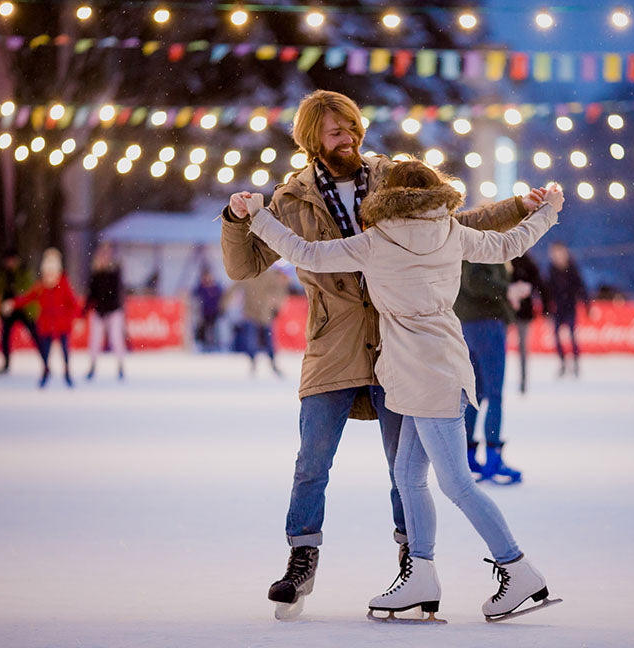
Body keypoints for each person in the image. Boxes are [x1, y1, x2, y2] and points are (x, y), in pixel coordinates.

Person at [219, 89, 546, 620]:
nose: (348, 138)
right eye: (335, 132)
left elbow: (458, 224)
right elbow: (247, 266)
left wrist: (517, 207)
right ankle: (321, 559)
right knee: (330, 464)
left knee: (421, 475)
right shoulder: (295, 199)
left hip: (403, 356)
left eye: (352, 127)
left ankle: (438, 562)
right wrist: (239, 219)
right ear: (312, 140)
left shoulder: (388, 191)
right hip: (345, 346)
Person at [454, 261, 520, 484]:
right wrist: (507, 290)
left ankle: (467, 457)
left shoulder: (467, 245)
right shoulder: (482, 246)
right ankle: (492, 458)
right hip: (485, 323)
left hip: (469, 322)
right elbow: (474, 281)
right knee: (493, 394)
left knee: (477, 393)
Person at [5, 248, 81, 389]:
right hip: (46, 324)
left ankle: (67, 373)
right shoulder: (41, 286)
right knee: (44, 351)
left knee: (65, 350)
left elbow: (73, 303)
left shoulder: (64, 284)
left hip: (62, 324)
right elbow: (27, 297)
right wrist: (13, 303)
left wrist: (78, 317)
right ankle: (46, 371)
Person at [0, 249, 40, 375]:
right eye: (8, 261)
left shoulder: (24, 272)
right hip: (7, 309)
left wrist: (16, 297)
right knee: (5, 336)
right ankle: (6, 362)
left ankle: (45, 359)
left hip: (24, 308)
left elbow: (28, 289)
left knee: (35, 334)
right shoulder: (1, 274)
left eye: (12, 260)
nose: (10, 263)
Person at [232, 267, 289, 377]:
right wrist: (278, 306)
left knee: (263, 339)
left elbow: (279, 291)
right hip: (256, 312)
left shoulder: (253, 274)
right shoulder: (254, 275)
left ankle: (267, 362)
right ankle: (257, 362)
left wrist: (277, 305)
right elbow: (279, 292)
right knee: (256, 339)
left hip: (261, 312)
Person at [545, 242, 590, 377]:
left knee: (572, 335)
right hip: (557, 309)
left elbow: (580, 287)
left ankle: (575, 362)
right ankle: (563, 363)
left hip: (569, 307)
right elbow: (547, 291)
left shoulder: (572, 268)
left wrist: (587, 304)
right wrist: (547, 309)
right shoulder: (551, 270)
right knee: (556, 337)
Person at [85, 244, 126, 381]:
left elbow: (115, 295)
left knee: (116, 338)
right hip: (99, 311)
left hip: (113, 310)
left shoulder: (114, 273)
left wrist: (106, 308)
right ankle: (92, 365)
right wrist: (85, 311)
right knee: (95, 339)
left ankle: (120, 365)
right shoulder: (96, 274)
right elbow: (91, 294)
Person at [507, 252, 544, 394]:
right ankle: (499, 381)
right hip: (508, 313)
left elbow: (540, 286)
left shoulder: (528, 264)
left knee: (520, 348)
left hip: (519, 313)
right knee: (512, 348)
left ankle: (521, 381)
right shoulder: (508, 260)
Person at [192, 267, 224, 351]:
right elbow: (194, 294)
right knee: (205, 330)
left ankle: (215, 345)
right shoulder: (202, 287)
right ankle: (206, 345)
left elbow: (222, 298)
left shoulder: (216, 287)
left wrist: (221, 308)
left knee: (215, 330)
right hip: (205, 313)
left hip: (215, 313)